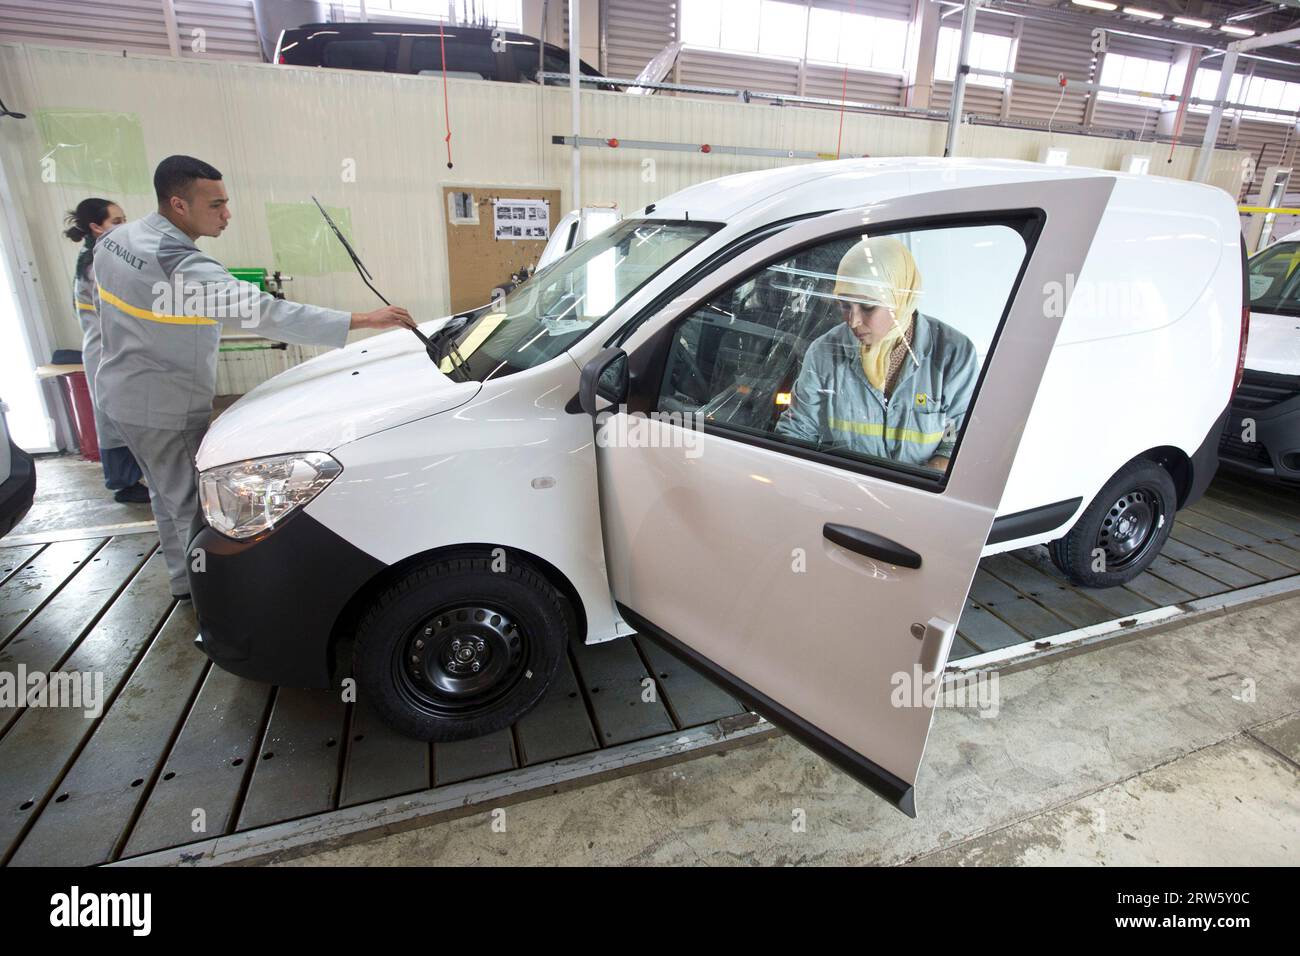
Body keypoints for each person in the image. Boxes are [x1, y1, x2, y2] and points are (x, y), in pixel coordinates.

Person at [94, 155, 414, 598]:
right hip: (164, 404)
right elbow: (266, 314)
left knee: (164, 495)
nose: (227, 214)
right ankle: (211, 602)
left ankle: (182, 582)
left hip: (118, 393)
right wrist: (364, 319)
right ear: (178, 204)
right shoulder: (179, 265)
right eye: (216, 205)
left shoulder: (117, 239)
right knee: (193, 509)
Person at [775, 236, 979, 474]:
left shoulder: (953, 354)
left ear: (899, 299)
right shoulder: (825, 354)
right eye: (845, 305)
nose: (853, 321)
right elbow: (797, 431)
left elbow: (961, 438)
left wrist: (921, 481)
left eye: (868, 306)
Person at [63, 198, 150, 503]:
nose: (124, 227)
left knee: (122, 416)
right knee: (115, 419)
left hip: (109, 347)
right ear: (96, 227)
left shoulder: (97, 256)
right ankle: (124, 483)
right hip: (106, 350)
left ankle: (129, 478)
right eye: (117, 221)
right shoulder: (97, 263)